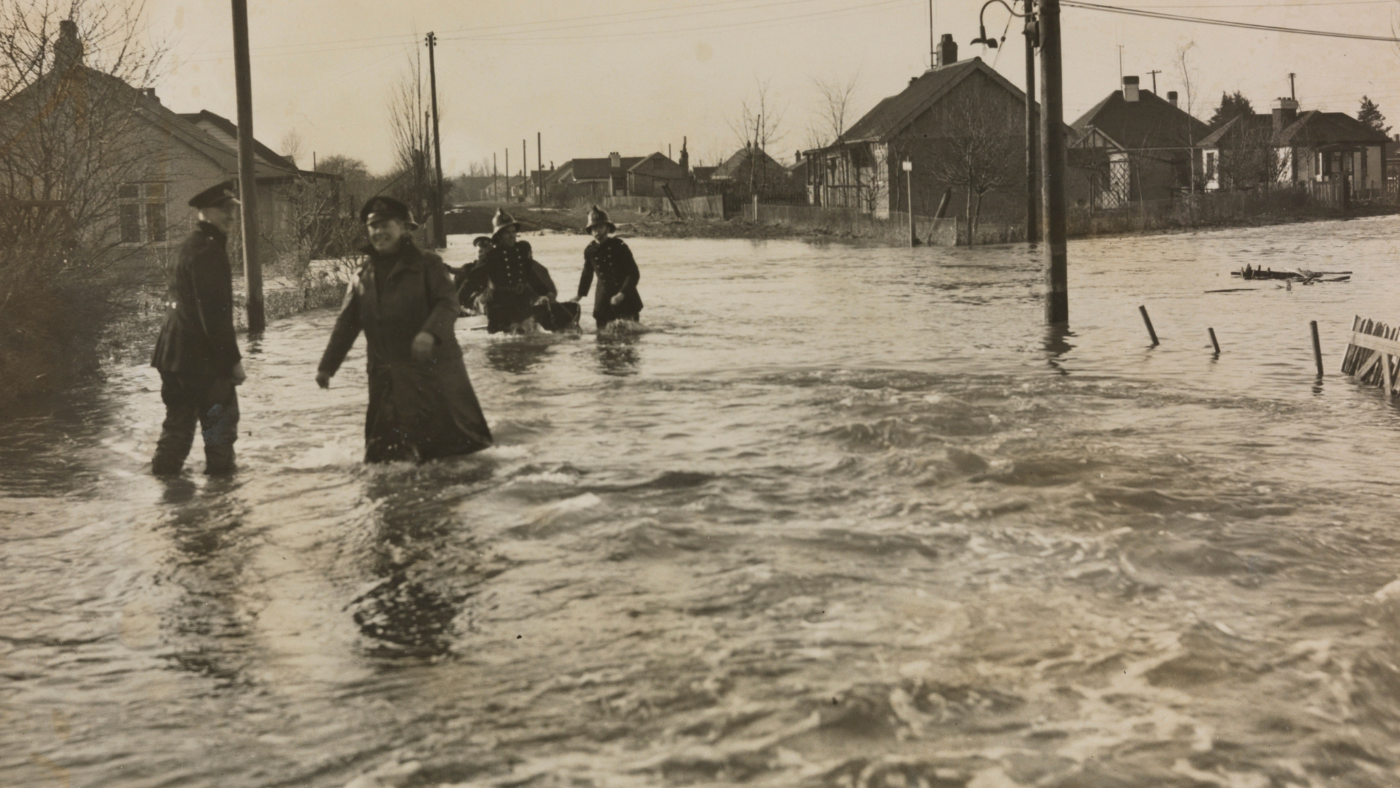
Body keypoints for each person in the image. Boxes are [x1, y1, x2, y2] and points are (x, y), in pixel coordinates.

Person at [315, 196, 492, 463]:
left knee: (451, 459)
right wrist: (327, 366)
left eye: (385, 225)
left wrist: (429, 333)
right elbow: (346, 325)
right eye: (372, 226)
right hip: (385, 380)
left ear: (402, 227)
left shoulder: (427, 264)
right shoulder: (362, 275)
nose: (378, 232)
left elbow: (449, 303)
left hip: (432, 376)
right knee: (383, 463)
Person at [150, 180, 247, 476]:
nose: (230, 215)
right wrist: (233, 362)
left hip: (173, 358)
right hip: (203, 363)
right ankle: (222, 504)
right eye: (222, 209)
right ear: (203, 212)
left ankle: (166, 499)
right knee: (219, 433)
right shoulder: (210, 252)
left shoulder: (187, 247)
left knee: (176, 432)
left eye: (232, 209)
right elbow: (214, 318)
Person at [457, 209, 555, 334]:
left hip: (520, 300)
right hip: (498, 304)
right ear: (499, 236)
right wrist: (456, 302)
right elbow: (471, 279)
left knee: (529, 332)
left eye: (514, 232)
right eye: (507, 233)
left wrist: (546, 292)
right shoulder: (491, 256)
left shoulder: (521, 252)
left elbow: (531, 276)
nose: (512, 235)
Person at [568, 205, 642, 330]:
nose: (597, 231)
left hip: (626, 298)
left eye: (601, 227)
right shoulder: (590, 250)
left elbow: (634, 274)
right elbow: (587, 274)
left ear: (608, 228)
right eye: (594, 228)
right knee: (602, 339)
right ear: (590, 230)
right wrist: (580, 295)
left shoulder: (619, 246)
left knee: (630, 340)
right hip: (603, 301)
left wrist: (621, 294)